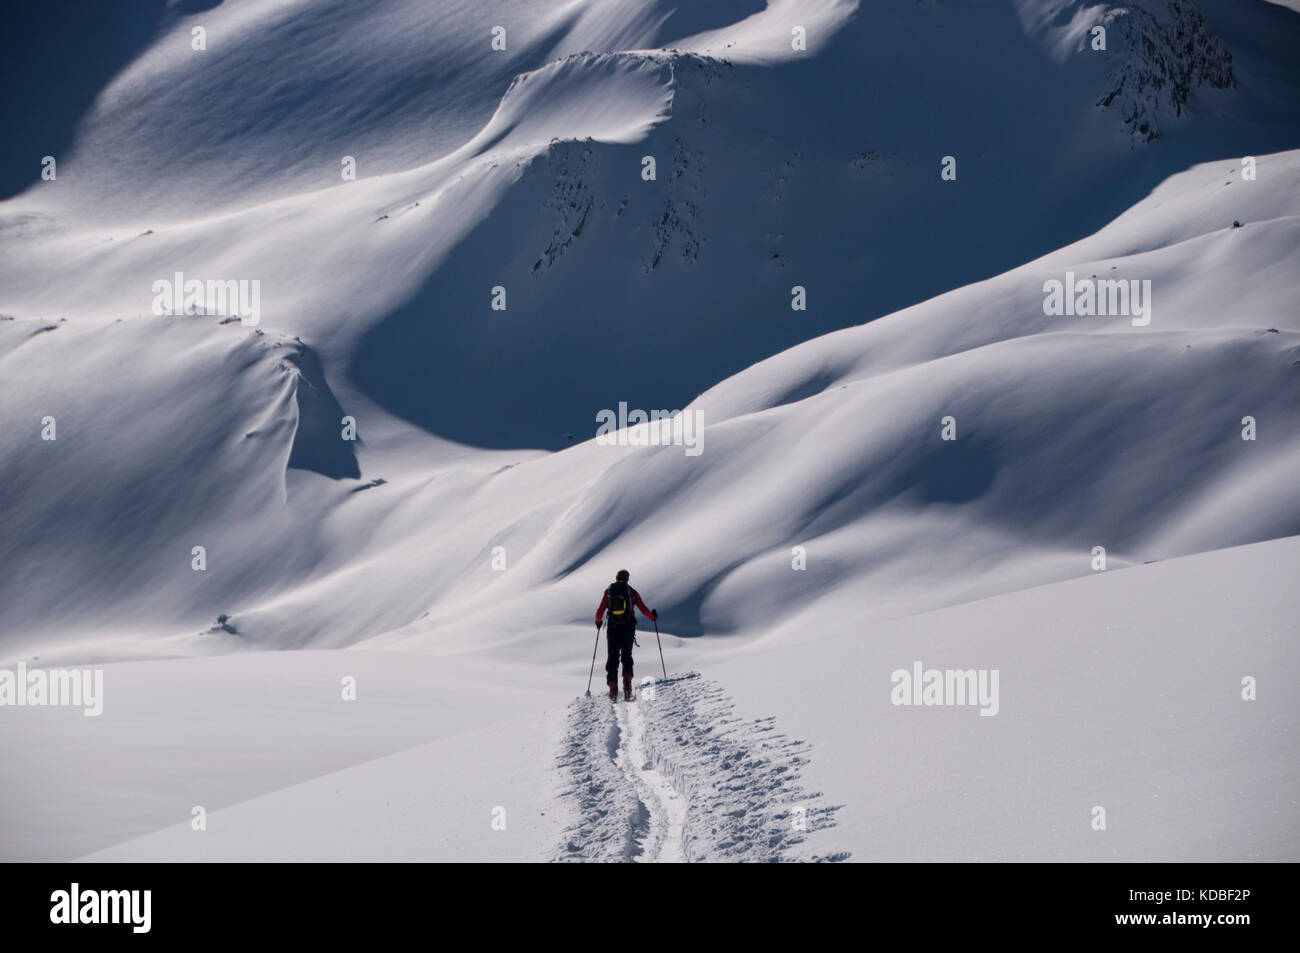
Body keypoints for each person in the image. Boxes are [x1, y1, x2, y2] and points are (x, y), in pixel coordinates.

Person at [595, 569, 657, 701]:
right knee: (627, 656)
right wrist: (652, 616)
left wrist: (598, 622)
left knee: (613, 658)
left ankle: (613, 690)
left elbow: (600, 611)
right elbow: (643, 608)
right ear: (627, 579)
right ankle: (627, 686)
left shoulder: (609, 591)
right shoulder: (631, 592)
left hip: (613, 628)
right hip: (628, 628)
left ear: (616, 577)